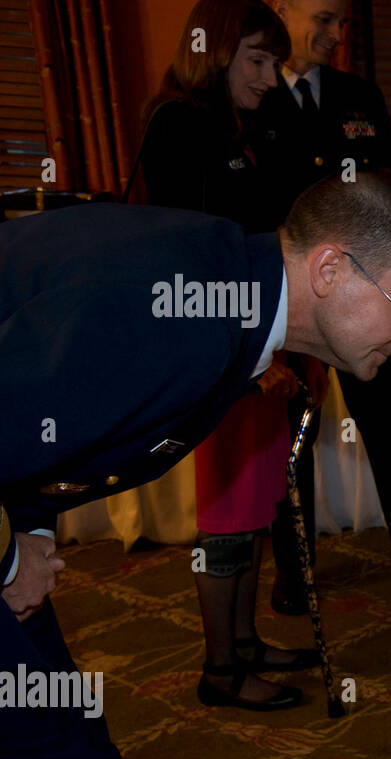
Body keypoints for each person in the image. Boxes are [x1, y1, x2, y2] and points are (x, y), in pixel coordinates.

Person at [0, 172, 391, 759]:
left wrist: (28, 529)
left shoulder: (224, 288)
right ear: (331, 268)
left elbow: (38, 426)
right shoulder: (181, 320)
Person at [137, 0, 323, 710]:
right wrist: (249, 354)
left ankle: (243, 643)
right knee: (225, 516)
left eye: (276, 62)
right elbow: (192, 258)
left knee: (252, 507)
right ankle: (221, 670)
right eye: (255, 60)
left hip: (253, 345)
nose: (270, 77)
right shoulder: (179, 124)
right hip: (221, 352)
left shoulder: (239, 125)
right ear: (212, 51)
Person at [260, 0, 391, 612]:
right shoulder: (249, 92)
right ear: (282, 8)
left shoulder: (359, 95)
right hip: (290, 301)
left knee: (386, 426)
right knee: (290, 439)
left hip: (365, 299)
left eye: (343, 23)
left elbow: (389, 193)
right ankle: (296, 572)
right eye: (323, 18)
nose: (336, 34)